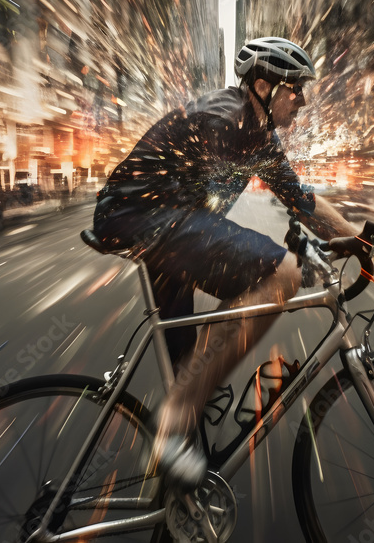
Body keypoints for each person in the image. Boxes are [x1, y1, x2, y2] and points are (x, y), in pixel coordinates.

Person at [92, 37, 359, 488]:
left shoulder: (258, 134)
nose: (303, 100)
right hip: (144, 218)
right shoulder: (224, 119)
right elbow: (208, 216)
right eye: (295, 89)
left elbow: (302, 202)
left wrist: (362, 239)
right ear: (263, 86)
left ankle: (180, 485)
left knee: (194, 365)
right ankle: (171, 424)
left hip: (164, 222)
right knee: (281, 275)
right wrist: (290, 257)